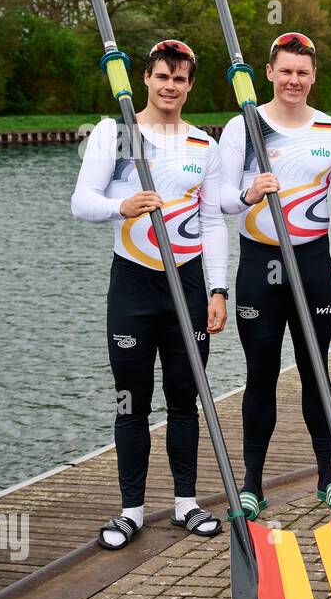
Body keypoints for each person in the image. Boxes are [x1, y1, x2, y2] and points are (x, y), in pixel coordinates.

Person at [72, 39, 227, 549]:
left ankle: (186, 503)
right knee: (131, 402)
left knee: (186, 399)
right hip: (133, 285)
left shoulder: (205, 145)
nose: (170, 86)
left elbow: (211, 222)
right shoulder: (116, 133)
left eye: (180, 79)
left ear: (189, 86)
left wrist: (218, 289)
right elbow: (81, 202)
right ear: (146, 78)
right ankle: (131, 511)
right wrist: (124, 207)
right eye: (163, 76)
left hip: (187, 283)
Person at [217, 32, 331, 519]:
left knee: (317, 371)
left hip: (314, 263)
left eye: (303, 72)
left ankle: (328, 476)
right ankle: (253, 483)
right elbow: (220, 201)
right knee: (261, 375)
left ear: (313, 76)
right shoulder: (243, 128)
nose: (294, 80)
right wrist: (251, 193)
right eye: (286, 71)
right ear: (269, 73)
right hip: (260, 265)